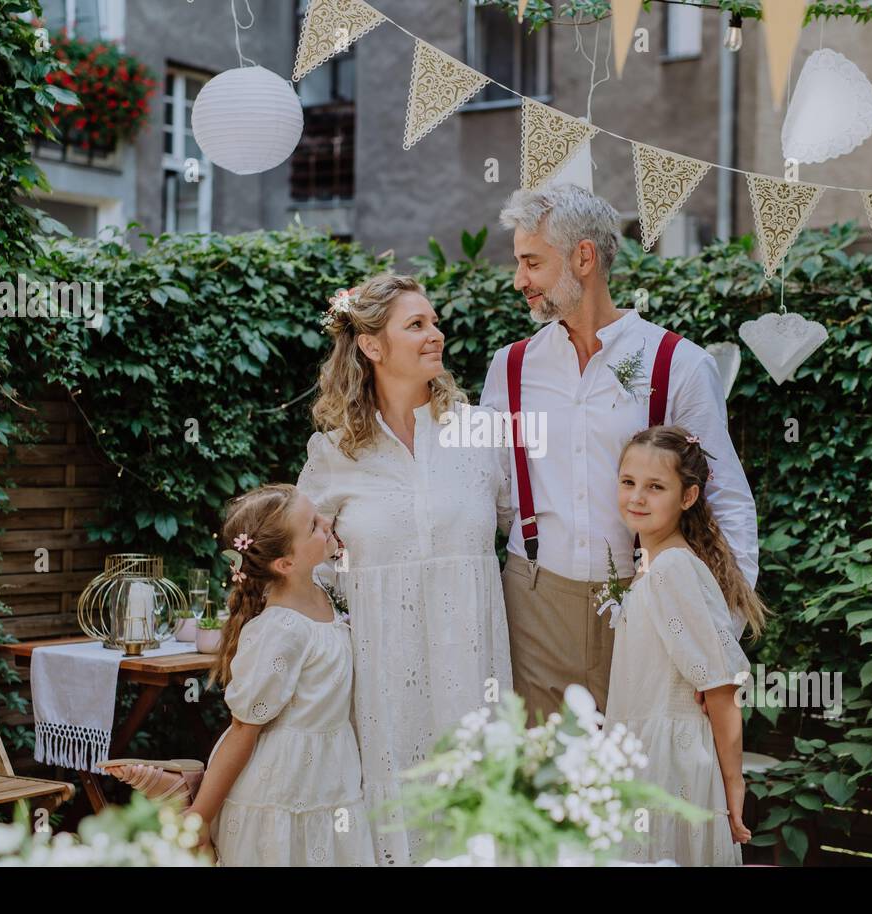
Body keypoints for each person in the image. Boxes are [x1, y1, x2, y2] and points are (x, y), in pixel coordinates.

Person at [481, 183, 758, 722]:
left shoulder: (677, 364)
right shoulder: (510, 368)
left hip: (649, 601)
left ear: (583, 257)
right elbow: (492, 493)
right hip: (534, 604)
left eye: (532, 262)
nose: (520, 281)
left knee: (640, 777)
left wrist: (717, 635)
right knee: (542, 785)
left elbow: (724, 498)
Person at [297, 272, 514, 865]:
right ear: (371, 345)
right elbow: (303, 569)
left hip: (475, 669)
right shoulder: (335, 452)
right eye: (416, 325)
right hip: (382, 677)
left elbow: (516, 528)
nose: (435, 335)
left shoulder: (482, 433)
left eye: (434, 321)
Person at [184, 483, 376, 867]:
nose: (326, 522)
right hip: (280, 793)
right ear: (285, 564)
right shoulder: (280, 630)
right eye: (312, 526)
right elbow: (243, 730)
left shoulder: (322, 590)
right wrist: (199, 819)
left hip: (330, 779)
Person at [604, 425, 768, 866]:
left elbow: (720, 685)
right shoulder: (653, 565)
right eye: (628, 482)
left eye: (655, 487)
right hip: (642, 759)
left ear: (688, 497)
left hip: (669, 769)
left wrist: (733, 783)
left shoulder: (672, 567)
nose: (637, 497)